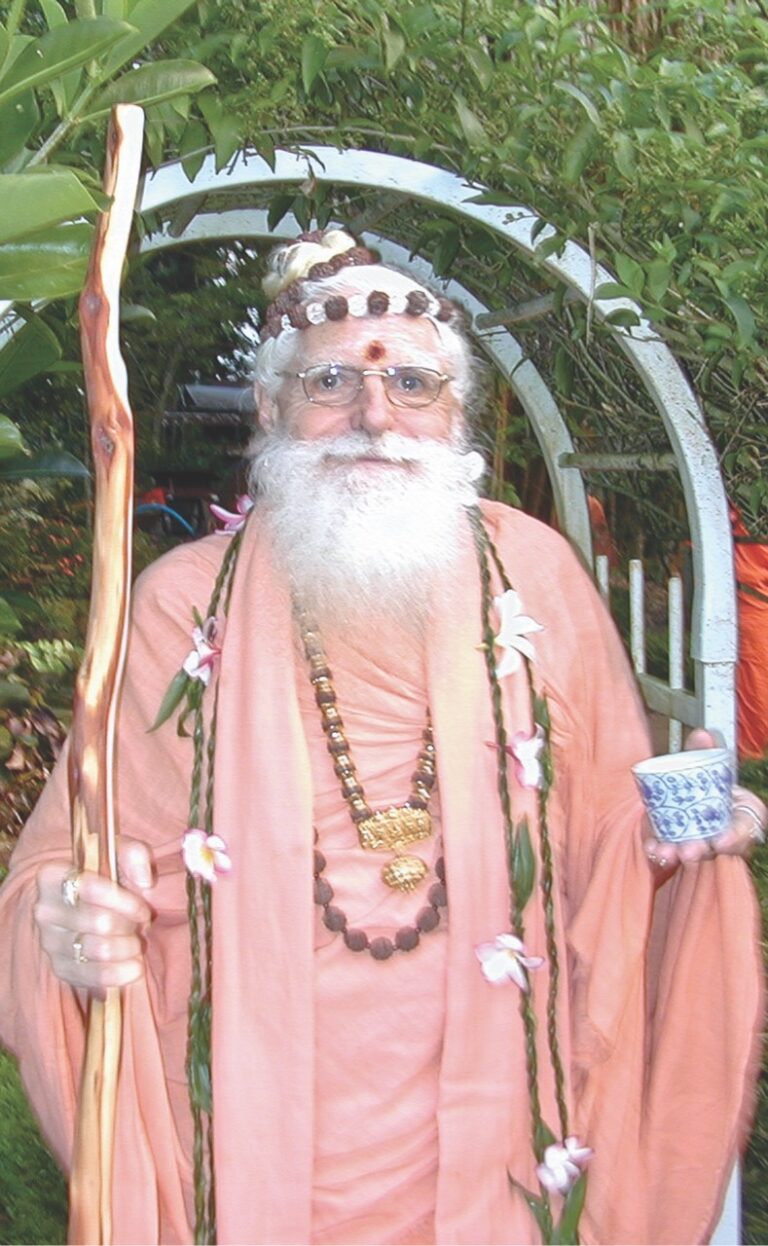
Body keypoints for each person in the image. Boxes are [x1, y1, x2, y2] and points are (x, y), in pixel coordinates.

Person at [0, 229, 764, 1246]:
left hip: (498, 1141)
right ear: (271, 410)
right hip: (256, 1137)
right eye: (331, 383)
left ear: (459, 414)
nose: (375, 416)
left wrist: (680, 846)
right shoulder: (180, 603)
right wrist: (65, 917)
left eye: (414, 382)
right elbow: (61, 861)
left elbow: (608, 833)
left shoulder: (536, 575)